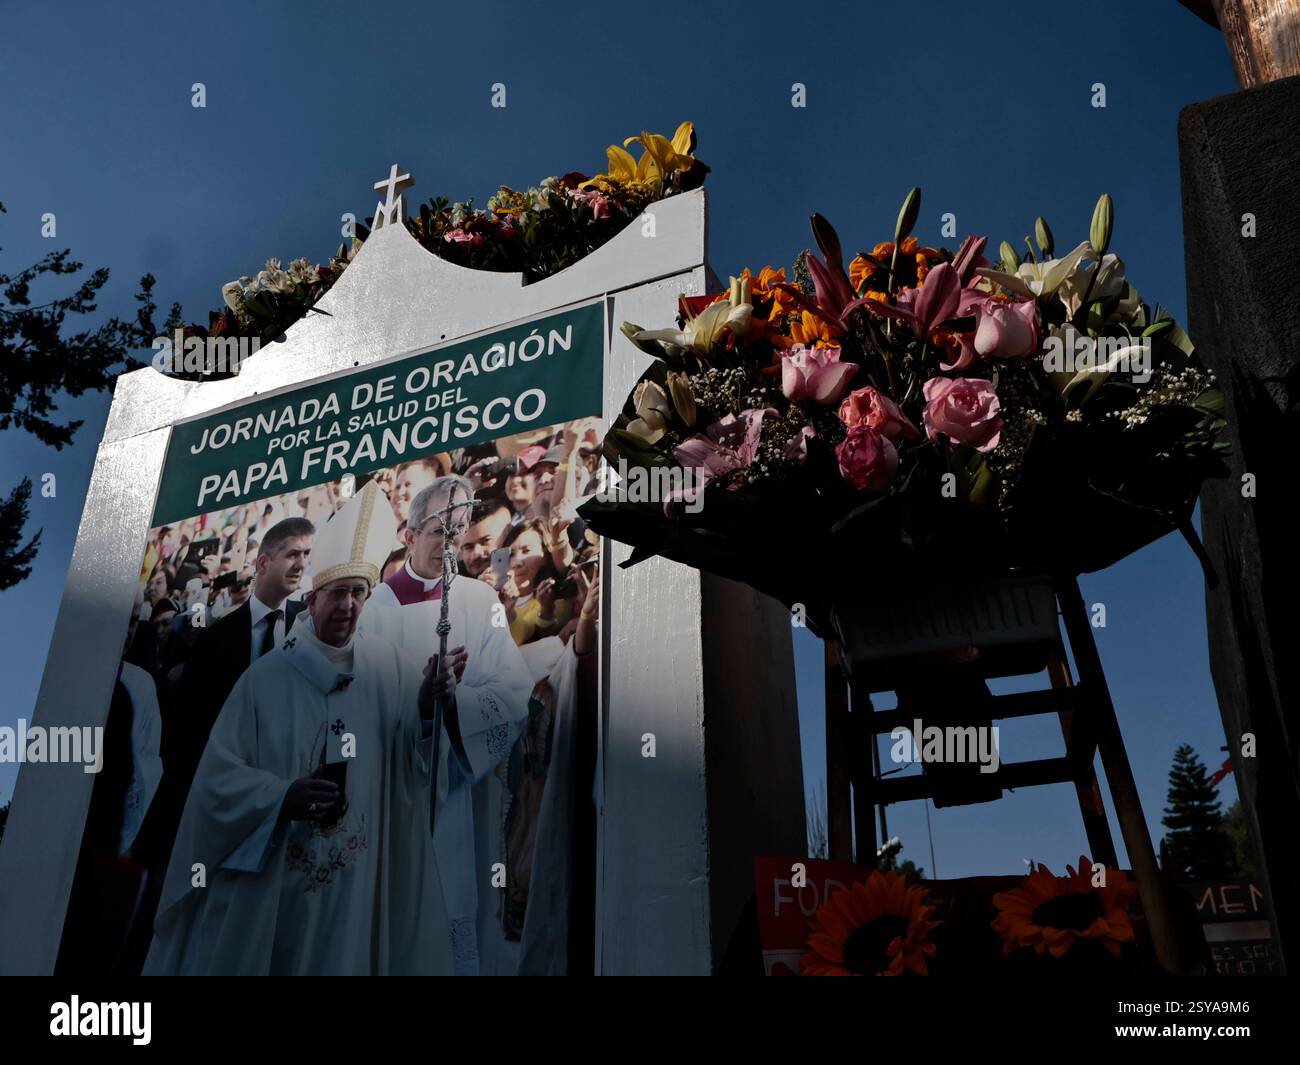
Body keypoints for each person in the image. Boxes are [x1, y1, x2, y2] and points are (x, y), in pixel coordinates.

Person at [143, 481, 467, 975]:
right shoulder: (265, 679)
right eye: (338, 594)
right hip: (274, 881)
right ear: (311, 601)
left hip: (357, 887)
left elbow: (411, 767)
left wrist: (426, 704)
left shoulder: (390, 668)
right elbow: (215, 781)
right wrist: (279, 797)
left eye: (359, 593)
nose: (350, 606)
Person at [363, 475, 532, 975]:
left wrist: (458, 705)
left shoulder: (481, 604)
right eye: (438, 530)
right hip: (389, 794)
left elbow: (516, 696)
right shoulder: (372, 609)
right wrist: (419, 704)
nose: (450, 543)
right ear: (409, 535)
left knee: (454, 911)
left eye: (458, 532)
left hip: (457, 796)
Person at [132, 518, 315, 875]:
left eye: (307, 554)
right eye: (293, 554)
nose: (302, 564)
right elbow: (185, 732)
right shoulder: (215, 639)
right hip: (215, 802)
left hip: (280, 804)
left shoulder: (309, 631)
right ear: (263, 563)